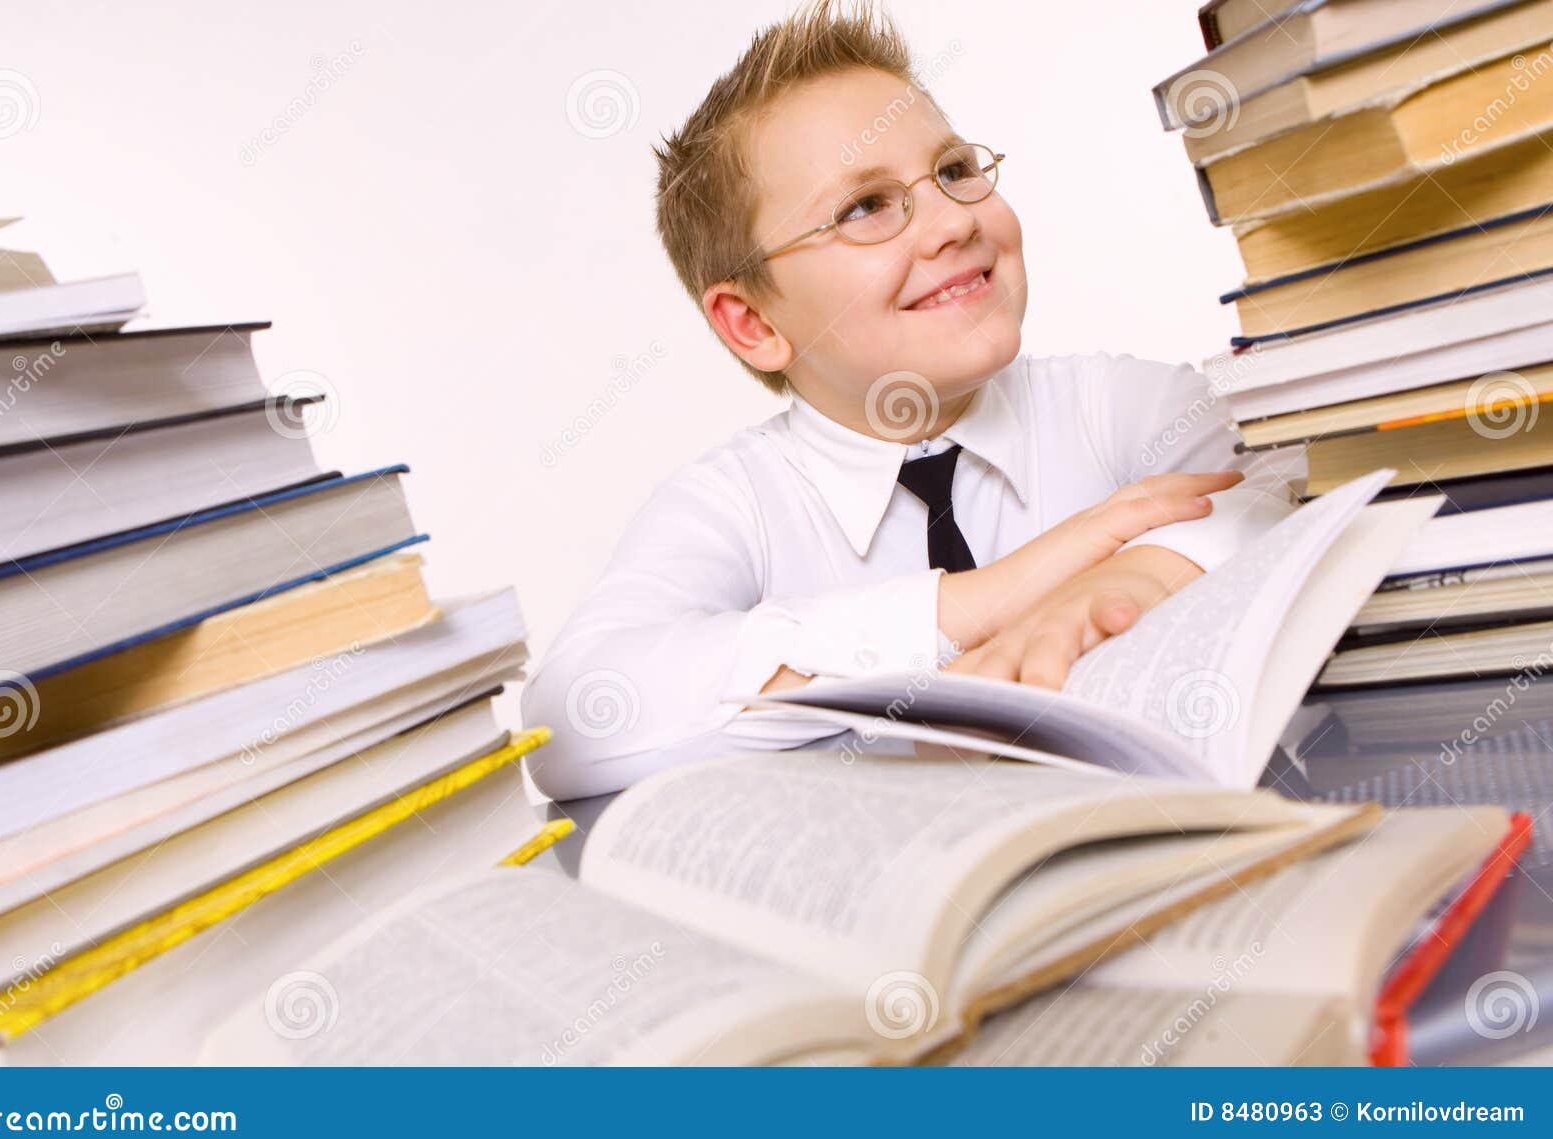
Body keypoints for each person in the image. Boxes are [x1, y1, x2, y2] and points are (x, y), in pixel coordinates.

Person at [523, 0, 1298, 800]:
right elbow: (576, 719)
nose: (951, 221)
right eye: (865, 207)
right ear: (753, 323)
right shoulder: (736, 504)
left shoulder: (1117, 405)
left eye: (955, 170)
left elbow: (1299, 483)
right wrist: (982, 602)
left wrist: (1143, 569)